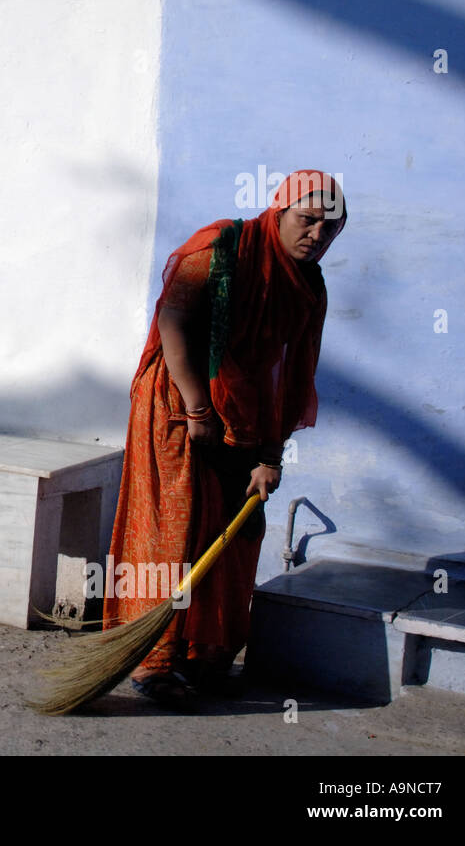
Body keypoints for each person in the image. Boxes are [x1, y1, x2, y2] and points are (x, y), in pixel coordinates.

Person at [102, 169, 347, 705]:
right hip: (176, 402)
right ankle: (154, 662)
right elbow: (174, 323)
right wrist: (198, 408)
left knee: (235, 531)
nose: (317, 237)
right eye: (307, 222)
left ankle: (205, 655)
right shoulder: (220, 248)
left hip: (245, 414)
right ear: (278, 212)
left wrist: (271, 453)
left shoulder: (308, 285)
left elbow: (293, 371)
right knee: (175, 526)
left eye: (331, 230)